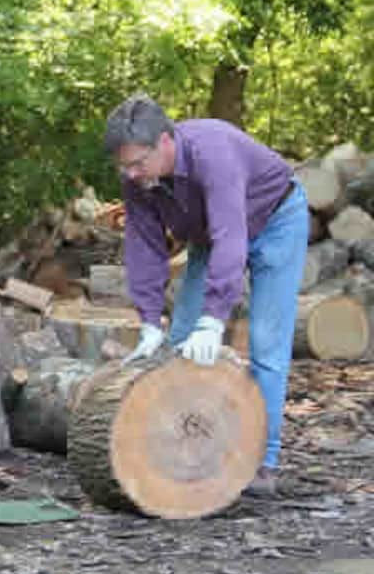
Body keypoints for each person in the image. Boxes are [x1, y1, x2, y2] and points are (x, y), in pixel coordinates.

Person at [104, 93, 309, 497]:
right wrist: (148, 321)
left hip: (276, 220)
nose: (130, 174)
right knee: (181, 340)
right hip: (209, 234)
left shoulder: (213, 153)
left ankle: (262, 462)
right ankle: (183, 448)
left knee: (267, 345)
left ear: (165, 141)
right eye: (123, 165)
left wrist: (214, 319)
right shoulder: (138, 178)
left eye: (138, 163)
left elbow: (230, 235)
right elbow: (144, 246)